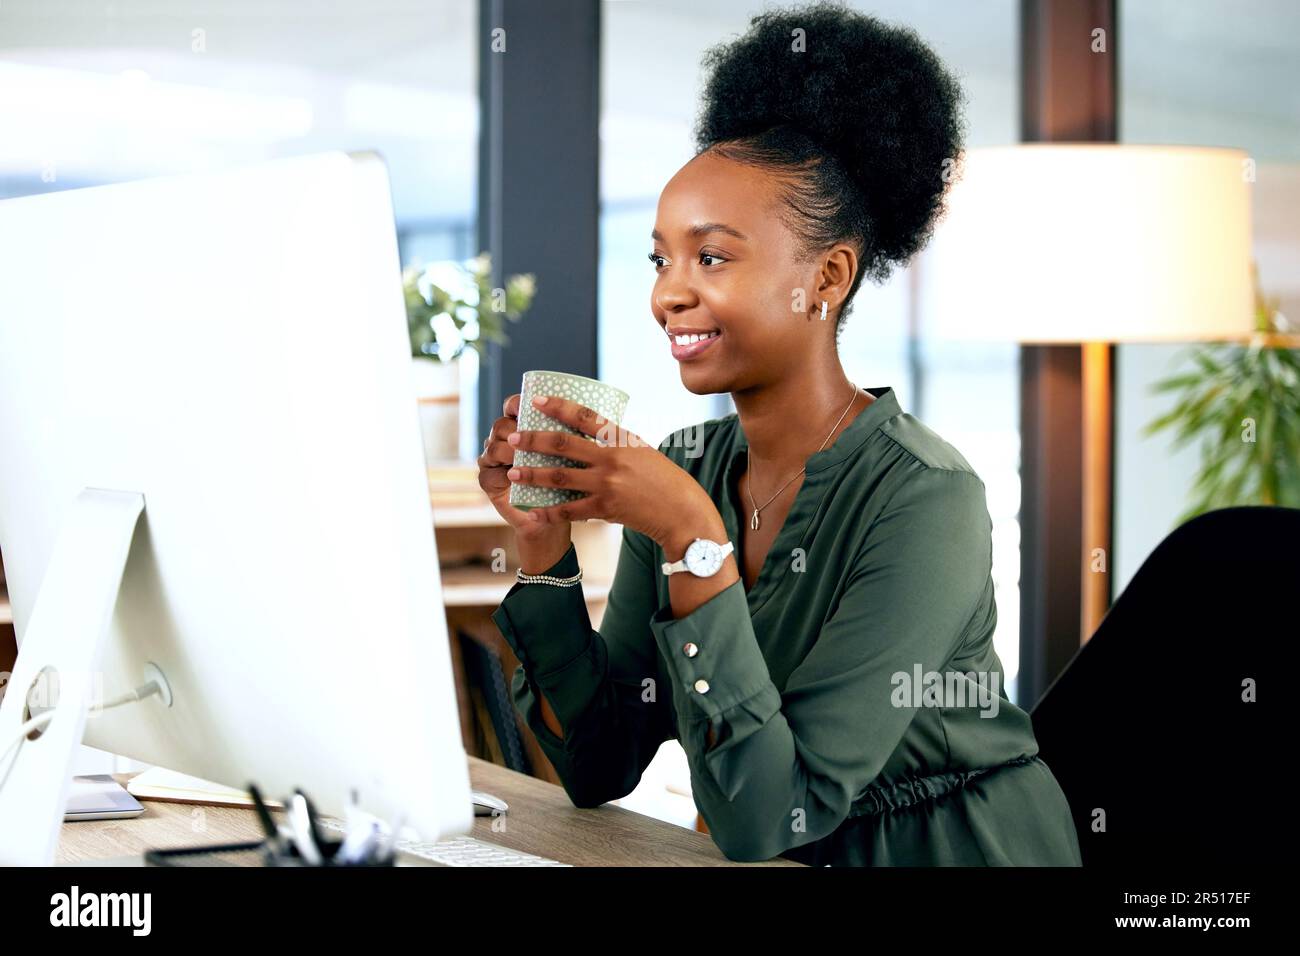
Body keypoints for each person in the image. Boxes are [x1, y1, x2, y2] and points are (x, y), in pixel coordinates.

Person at [477, 0, 1082, 866]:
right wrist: (545, 547)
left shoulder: (926, 498)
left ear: (828, 276)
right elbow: (599, 763)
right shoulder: (689, 468)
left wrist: (694, 539)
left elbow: (773, 817)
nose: (667, 295)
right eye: (660, 259)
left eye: (711, 257)